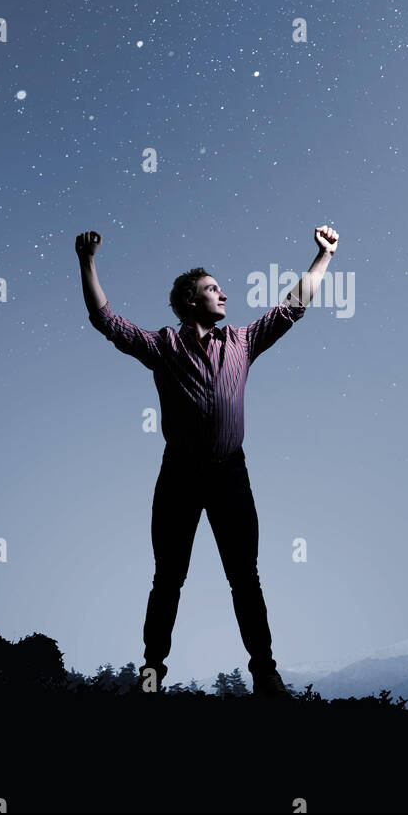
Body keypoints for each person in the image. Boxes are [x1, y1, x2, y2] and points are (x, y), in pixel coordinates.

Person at [75, 225, 339, 698]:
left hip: (230, 476)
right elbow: (105, 320)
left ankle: (265, 675)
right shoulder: (162, 346)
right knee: (168, 579)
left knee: (245, 579)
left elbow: (292, 306)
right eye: (213, 289)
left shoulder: (242, 341)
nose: (224, 294)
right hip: (179, 476)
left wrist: (323, 256)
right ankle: (152, 675)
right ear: (189, 301)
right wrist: (87, 261)